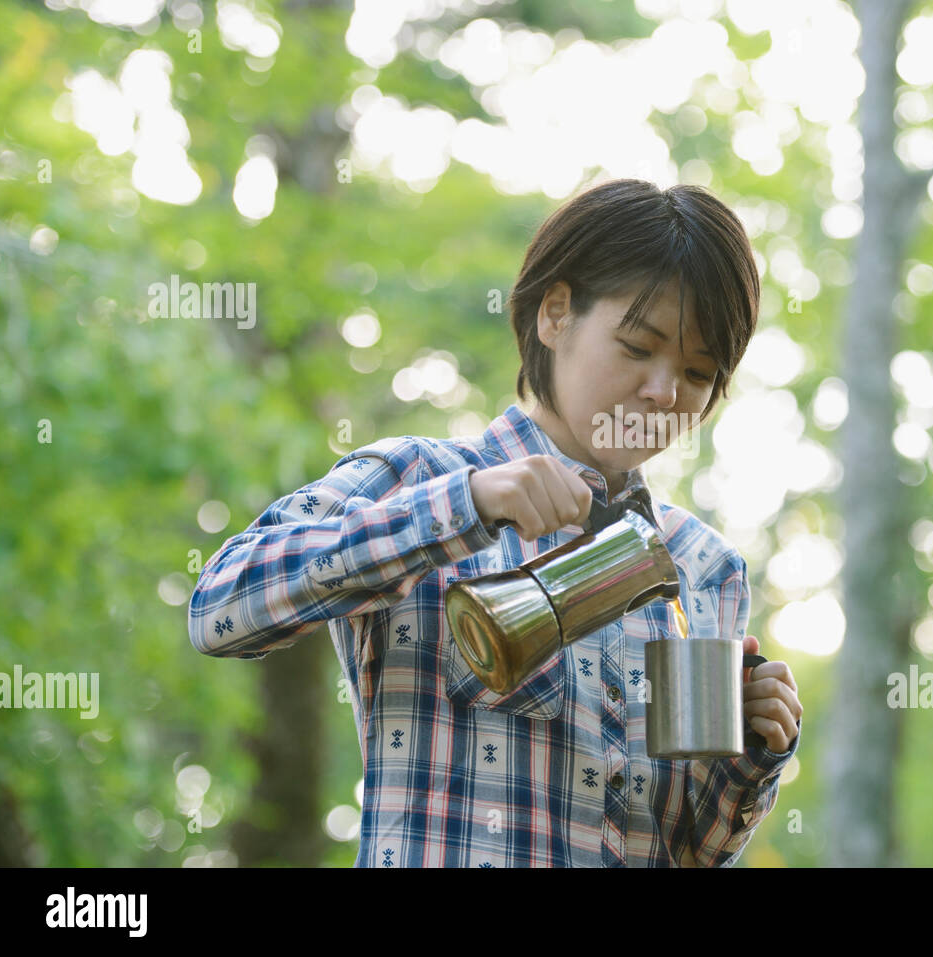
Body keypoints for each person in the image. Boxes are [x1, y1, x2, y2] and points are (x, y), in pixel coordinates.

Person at [188, 178, 803, 867]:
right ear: (556, 313)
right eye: (638, 347)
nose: (664, 391)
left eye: (697, 371)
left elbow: (690, 850)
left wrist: (753, 755)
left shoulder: (704, 565)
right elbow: (220, 607)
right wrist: (467, 507)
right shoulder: (418, 480)